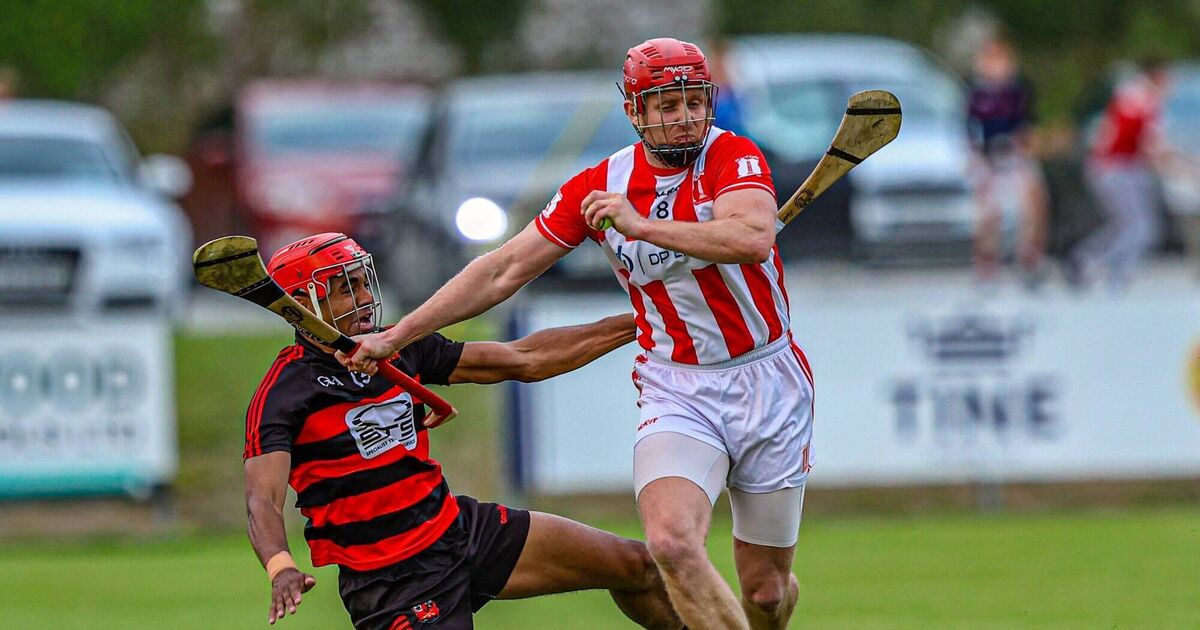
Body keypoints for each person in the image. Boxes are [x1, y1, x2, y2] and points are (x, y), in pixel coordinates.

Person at [341, 38, 814, 630]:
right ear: (635, 112)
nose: (685, 116)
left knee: (766, 592)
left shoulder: (732, 156)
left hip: (768, 379)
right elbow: (502, 269)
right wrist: (400, 333)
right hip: (678, 386)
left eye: (694, 101)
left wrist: (643, 226)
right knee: (670, 544)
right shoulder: (602, 183)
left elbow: (750, 238)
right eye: (667, 105)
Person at [244, 232, 681, 629]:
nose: (363, 297)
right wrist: (280, 565)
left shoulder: (395, 348)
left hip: (458, 529)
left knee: (638, 566)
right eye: (345, 288)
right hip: (392, 580)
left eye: (362, 282)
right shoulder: (285, 393)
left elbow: (524, 358)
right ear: (302, 304)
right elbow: (261, 499)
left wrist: (643, 322)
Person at [1071, 57, 1171, 290]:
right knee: (1140, 227)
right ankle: (1092, 262)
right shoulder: (1144, 101)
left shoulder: (1129, 96)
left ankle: (1112, 269)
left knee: (1132, 225)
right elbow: (1152, 148)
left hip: (1119, 167)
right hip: (1116, 168)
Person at [966, 34, 1050, 287]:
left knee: (1034, 204)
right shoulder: (977, 93)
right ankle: (987, 265)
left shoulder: (1019, 90)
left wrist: (1025, 145)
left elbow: (1028, 126)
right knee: (989, 213)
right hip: (989, 158)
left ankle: (1029, 259)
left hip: (1015, 155)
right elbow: (970, 130)